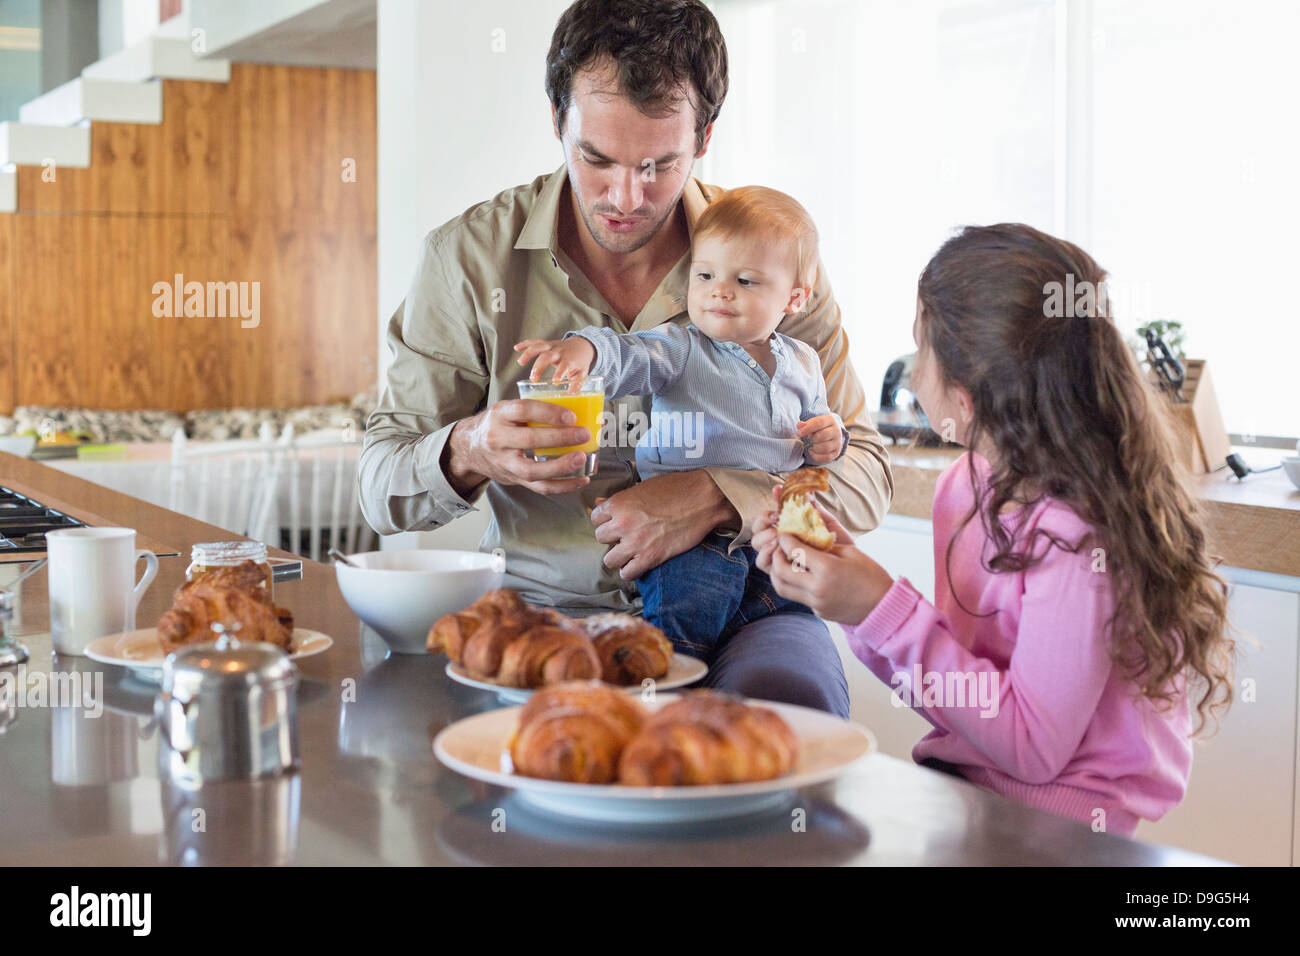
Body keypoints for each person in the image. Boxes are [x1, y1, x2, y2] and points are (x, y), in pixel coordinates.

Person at [359, 0, 893, 718]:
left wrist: (717, 494)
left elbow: (866, 472)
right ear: (558, 123)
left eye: (657, 165)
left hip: (749, 607)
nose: (623, 198)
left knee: (788, 720)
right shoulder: (465, 259)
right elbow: (378, 483)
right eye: (595, 158)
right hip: (548, 614)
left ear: (704, 137)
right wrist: (473, 448)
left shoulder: (771, 263)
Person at [753, 222, 1235, 835]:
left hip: (1053, 831)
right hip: (971, 797)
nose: (911, 369)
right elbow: (967, 688)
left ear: (966, 395)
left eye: (919, 346)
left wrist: (880, 607)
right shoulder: (969, 483)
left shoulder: (1074, 535)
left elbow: (1030, 747)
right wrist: (853, 596)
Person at [513, 185, 850, 659]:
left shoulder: (804, 360)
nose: (719, 290)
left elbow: (816, 430)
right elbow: (628, 354)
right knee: (681, 639)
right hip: (688, 543)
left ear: (795, 299)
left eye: (746, 281)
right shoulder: (683, 347)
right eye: (706, 274)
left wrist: (830, 438)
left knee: (786, 610)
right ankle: (657, 696)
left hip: (770, 534)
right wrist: (585, 351)